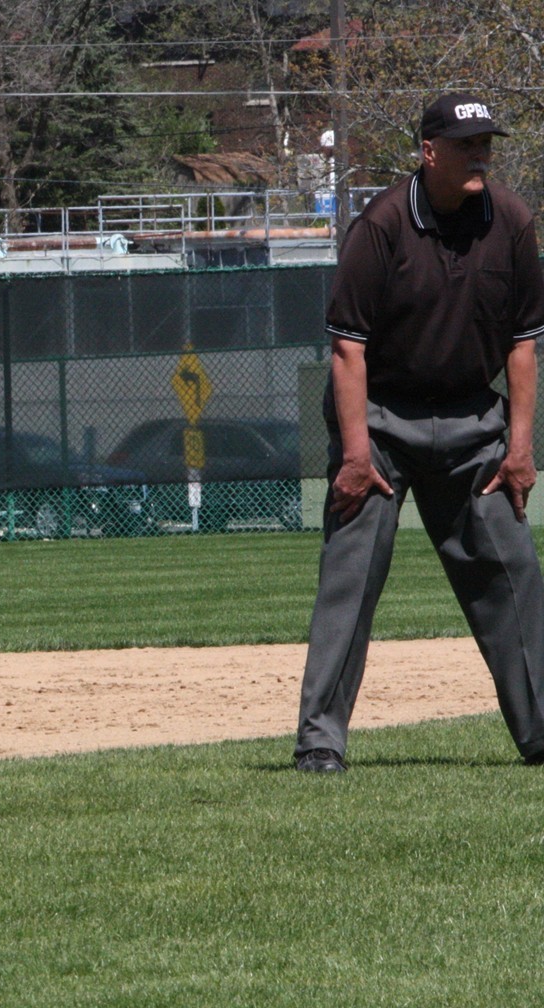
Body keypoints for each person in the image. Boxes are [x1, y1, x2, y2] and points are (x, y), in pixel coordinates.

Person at [294, 92, 544, 773]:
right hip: (379, 421)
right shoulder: (380, 227)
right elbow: (348, 351)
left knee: (513, 572)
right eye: (467, 143)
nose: (480, 154)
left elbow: (524, 346)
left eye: (486, 142)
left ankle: (541, 730)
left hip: (472, 422)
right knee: (351, 574)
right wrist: (352, 455)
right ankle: (320, 743)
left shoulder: (513, 224)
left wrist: (521, 451)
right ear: (429, 151)